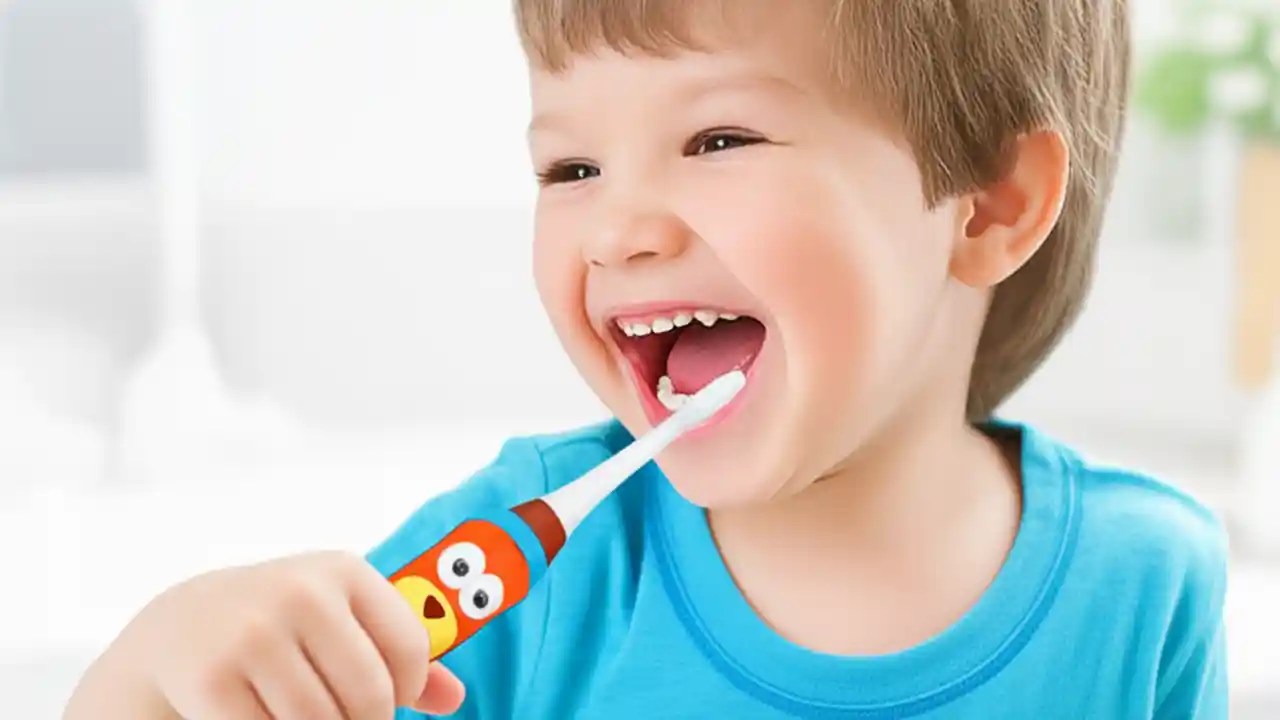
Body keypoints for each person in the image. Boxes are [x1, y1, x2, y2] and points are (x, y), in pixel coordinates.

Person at [65, 1, 1229, 718]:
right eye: (568, 169)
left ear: (987, 205)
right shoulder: (502, 580)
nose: (618, 227)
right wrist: (144, 682)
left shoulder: (1144, 583)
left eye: (717, 139)